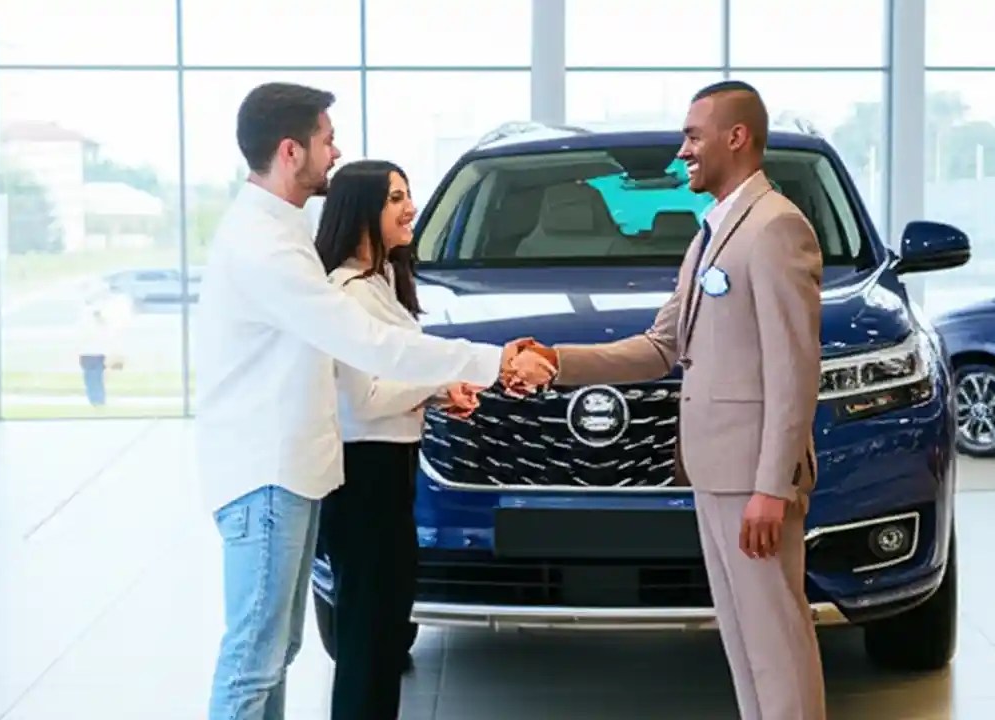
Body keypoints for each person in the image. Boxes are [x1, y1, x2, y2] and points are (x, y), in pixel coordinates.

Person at [194, 82, 554, 720]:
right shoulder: (266, 246)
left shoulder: (282, 233)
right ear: (290, 151)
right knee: (254, 658)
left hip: (289, 473)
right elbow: (366, 343)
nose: (335, 153)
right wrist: (493, 362)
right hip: (266, 476)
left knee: (274, 652)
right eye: (326, 140)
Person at [515, 80, 827, 719]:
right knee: (744, 641)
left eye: (692, 135)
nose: (682, 150)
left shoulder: (775, 227)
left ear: (735, 137)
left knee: (776, 641)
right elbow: (661, 347)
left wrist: (772, 487)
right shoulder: (712, 232)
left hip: (752, 478)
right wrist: (555, 362)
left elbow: (794, 370)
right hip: (715, 471)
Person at [312, 159, 477, 719]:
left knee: (383, 633)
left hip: (392, 470)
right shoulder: (346, 293)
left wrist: (437, 394)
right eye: (395, 199)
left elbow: (392, 380)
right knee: (366, 638)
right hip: (362, 478)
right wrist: (437, 384)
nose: (411, 209)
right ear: (361, 210)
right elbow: (363, 400)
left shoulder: (381, 282)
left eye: (407, 195)